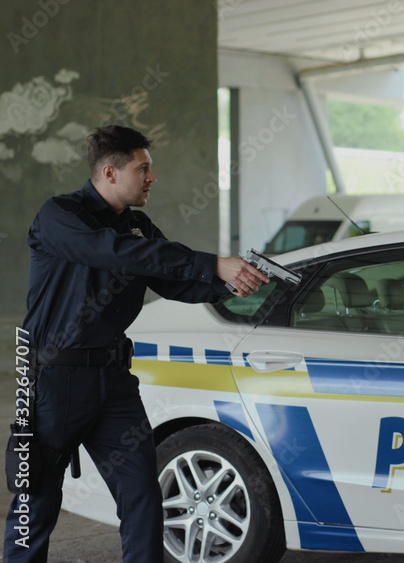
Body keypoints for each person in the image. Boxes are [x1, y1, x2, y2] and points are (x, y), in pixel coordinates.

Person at [4, 125, 269, 562]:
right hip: (54, 382)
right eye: (143, 168)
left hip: (114, 384)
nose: (152, 177)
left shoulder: (137, 226)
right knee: (36, 502)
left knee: (144, 498)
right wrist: (212, 263)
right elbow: (119, 253)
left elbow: (171, 278)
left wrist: (231, 284)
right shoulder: (60, 216)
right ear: (110, 172)